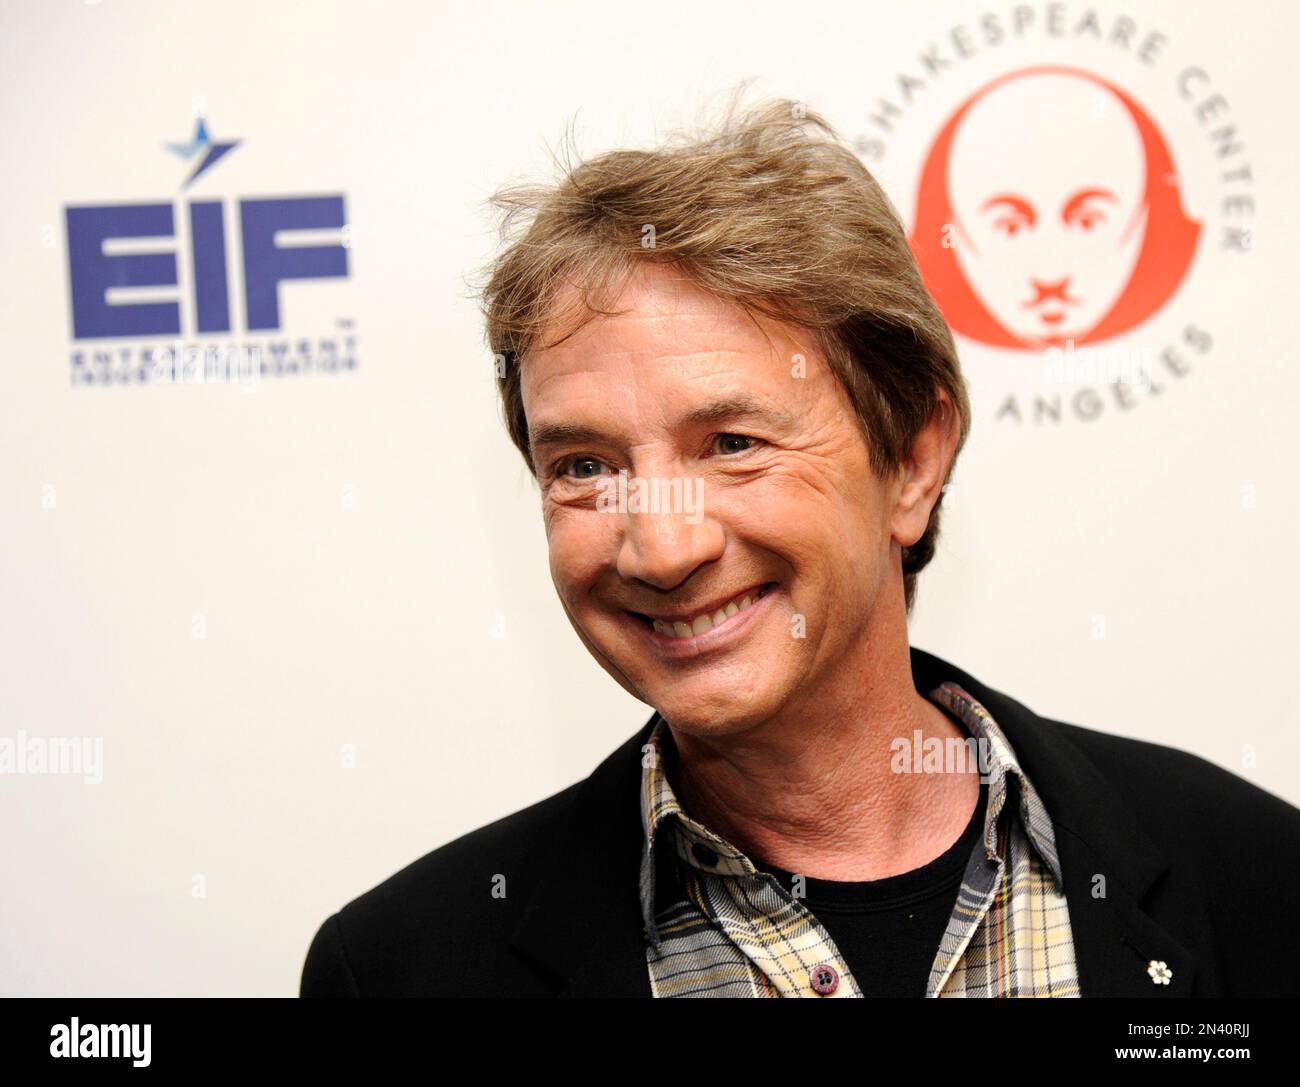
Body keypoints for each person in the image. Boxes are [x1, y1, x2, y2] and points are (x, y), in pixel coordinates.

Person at [301, 99, 1300, 997]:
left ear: (910, 461)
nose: (660, 547)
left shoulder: (1255, 879)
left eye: (732, 443)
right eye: (586, 467)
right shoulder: (402, 970)